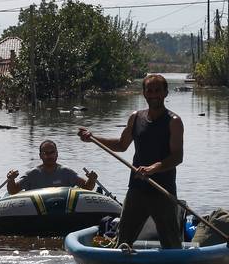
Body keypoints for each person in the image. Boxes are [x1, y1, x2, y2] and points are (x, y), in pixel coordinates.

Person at [78, 74, 184, 249]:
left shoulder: (174, 122)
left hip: (163, 191)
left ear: (165, 93)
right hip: (137, 189)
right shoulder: (136, 117)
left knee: (171, 243)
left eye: (158, 90)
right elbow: (121, 145)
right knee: (123, 240)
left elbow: (177, 157)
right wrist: (93, 138)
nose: (153, 94)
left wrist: (153, 168)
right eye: (149, 90)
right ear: (144, 93)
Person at [6, 139, 98, 194]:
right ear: (40, 155)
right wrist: (11, 179)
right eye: (46, 153)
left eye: (52, 152)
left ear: (57, 154)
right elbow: (12, 191)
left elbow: (87, 187)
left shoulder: (66, 172)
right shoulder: (32, 174)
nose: (49, 156)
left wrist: (92, 179)